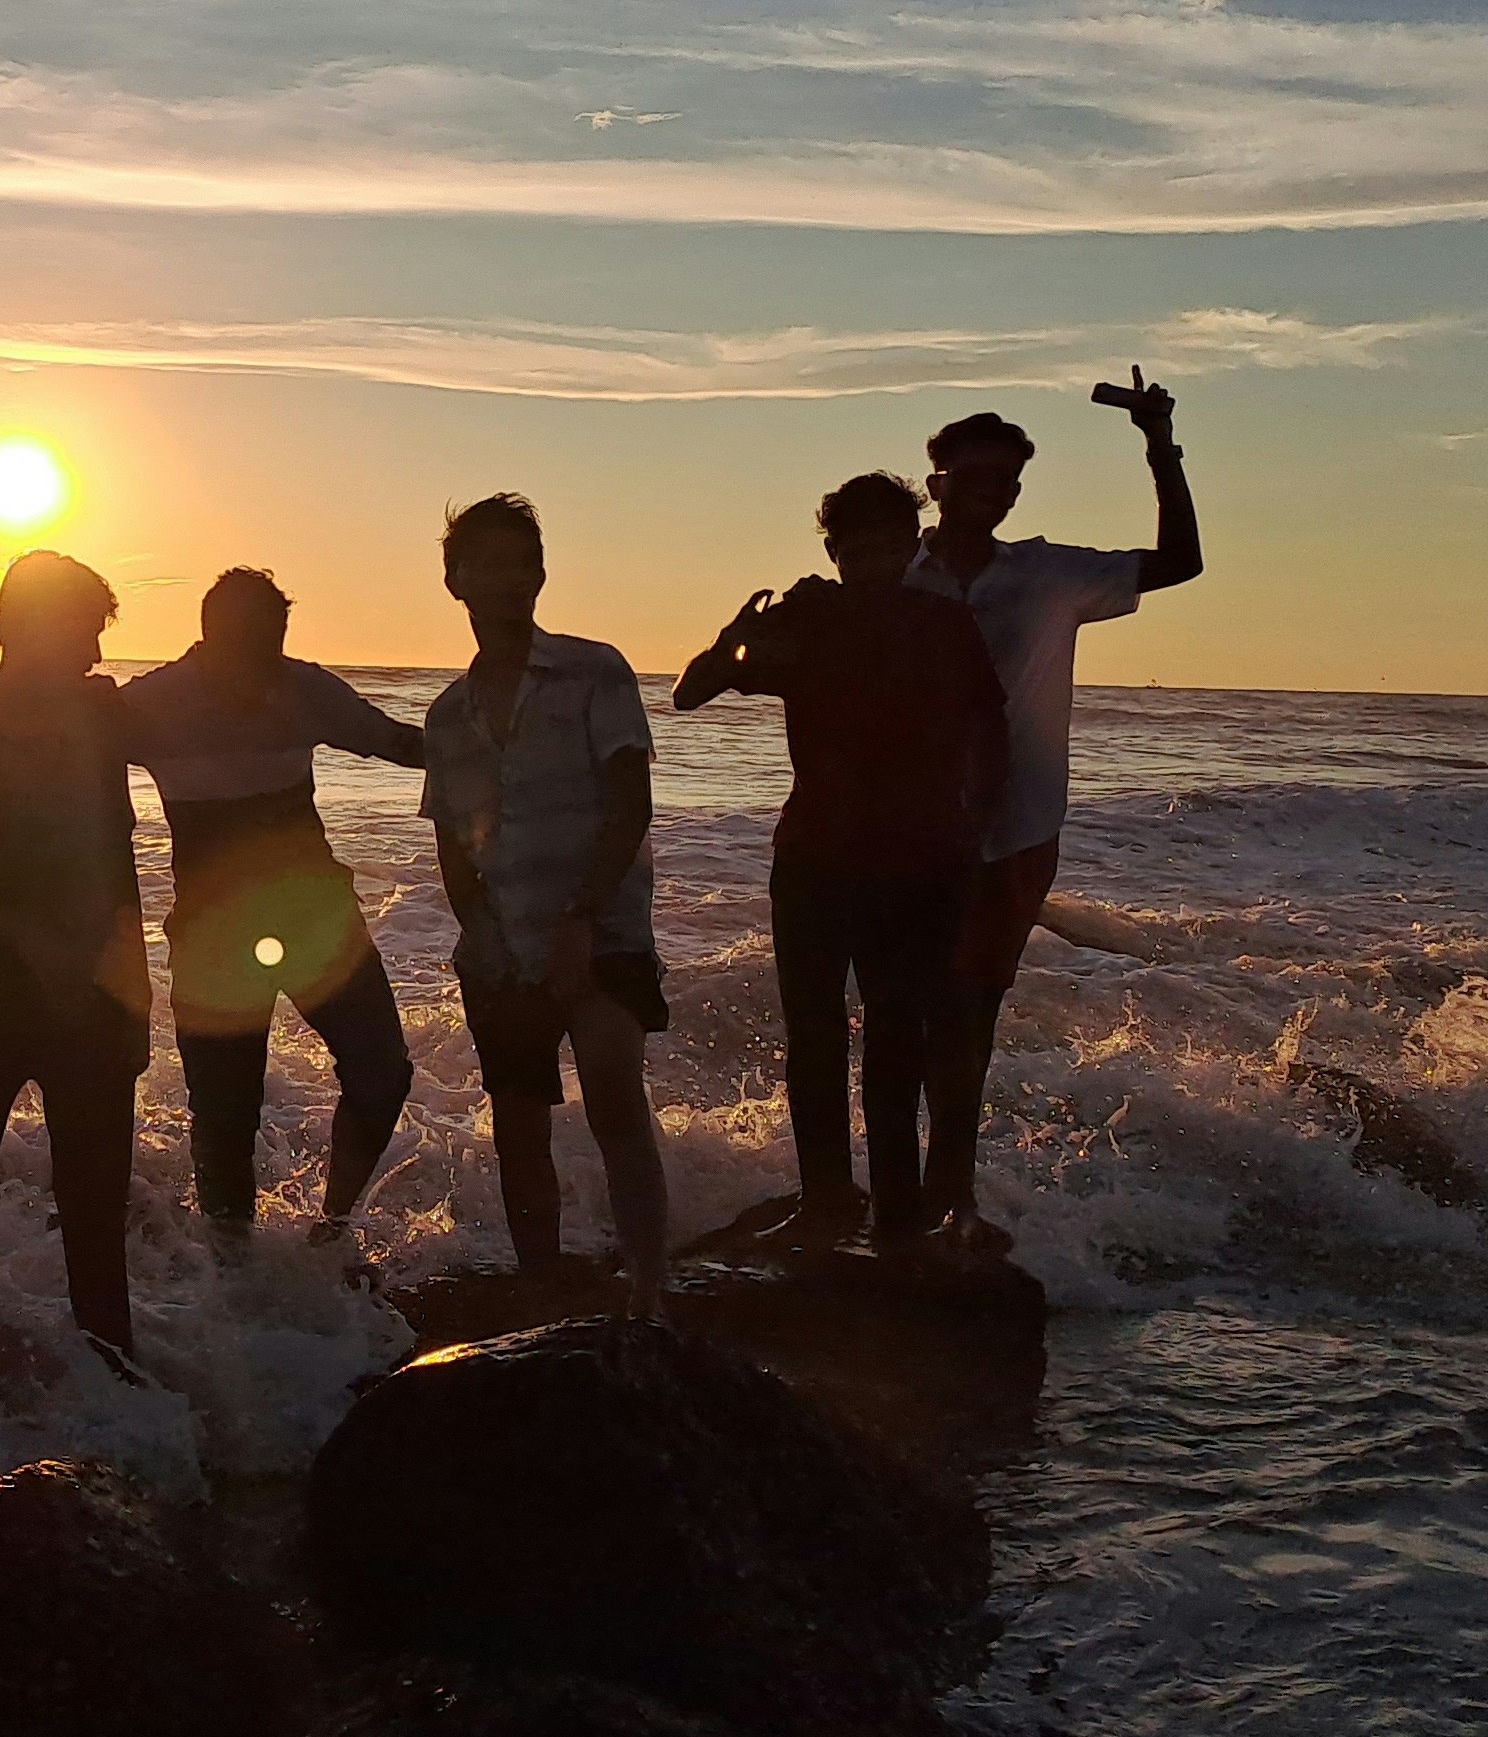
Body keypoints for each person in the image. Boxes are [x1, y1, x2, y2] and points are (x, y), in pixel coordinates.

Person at [675, 471, 1006, 1254]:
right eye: (856, 550)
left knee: (897, 1033)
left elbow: (990, 727)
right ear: (833, 552)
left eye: (889, 547)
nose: (872, 563)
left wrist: (977, 828)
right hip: (816, 856)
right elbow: (692, 693)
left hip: (920, 859)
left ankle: (896, 1211)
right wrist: (731, 641)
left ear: (912, 547)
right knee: (814, 1032)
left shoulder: (943, 624)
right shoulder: (808, 616)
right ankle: (827, 1197)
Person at [906, 374, 1205, 1235]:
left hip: (1017, 828)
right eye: (975, 476)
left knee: (972, 1012)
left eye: (1007, 480)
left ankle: (950, 1193)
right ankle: (903, 1193)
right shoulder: (896, 575)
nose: (992, 492)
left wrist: (1158, 444)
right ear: (937, 484)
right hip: (909, 826)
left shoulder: (1047, 574)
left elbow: (1180, 562)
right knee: (912, 1014)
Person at [115, 568, 426, 1258]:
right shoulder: (155, 702)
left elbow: (403, 745)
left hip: (316, 919)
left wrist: (507, 755)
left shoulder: (304, 687)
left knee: (382, 1071)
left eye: (275, 641)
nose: (264, 661)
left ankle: (333, 1225)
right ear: (208, 636)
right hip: (211, 935)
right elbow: (68, 749)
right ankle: (232, 1262)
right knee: (224, 1112)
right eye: (249, 643)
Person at [0, 548, 150, 1373]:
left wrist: (136, 998)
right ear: (31, 629)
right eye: (84, 633)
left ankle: (114, 1384)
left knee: (97, 1215)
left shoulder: (101, 728)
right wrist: (28, 940)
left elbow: (120, 869)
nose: (96, 655)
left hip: (95, 1002)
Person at [420, 493, 670, 1315]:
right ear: (455, 580)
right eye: (484, 563)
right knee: (520, 1127)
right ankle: (540, 1295)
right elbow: (454, 846)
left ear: (540, 574)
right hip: (502, 949)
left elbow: (630, 806)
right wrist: (485, 938)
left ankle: (650, 1294)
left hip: (604, 931)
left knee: (614, 1097)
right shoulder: (448, 714)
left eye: (518, 562)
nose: (503, 578)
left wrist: (579, 924)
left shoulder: (595, 670)